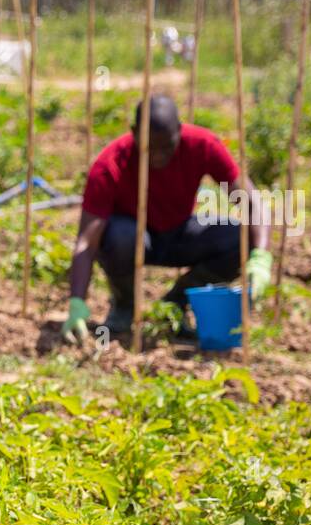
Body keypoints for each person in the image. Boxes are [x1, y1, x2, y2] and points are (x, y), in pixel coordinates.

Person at [62, 94, 273, 342]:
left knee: (239, 238)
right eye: (149, 147)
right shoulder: (111, 164)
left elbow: (252, 203)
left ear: (180, 131)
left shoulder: (201, 145)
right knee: (120, 235)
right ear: (134, 133)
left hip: (180, 233)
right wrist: (77, 300)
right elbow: (87, 241)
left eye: (167, 146)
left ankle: (175, 303)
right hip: (134, 239)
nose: (158, 155)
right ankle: (124, 306)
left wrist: (261, 256)